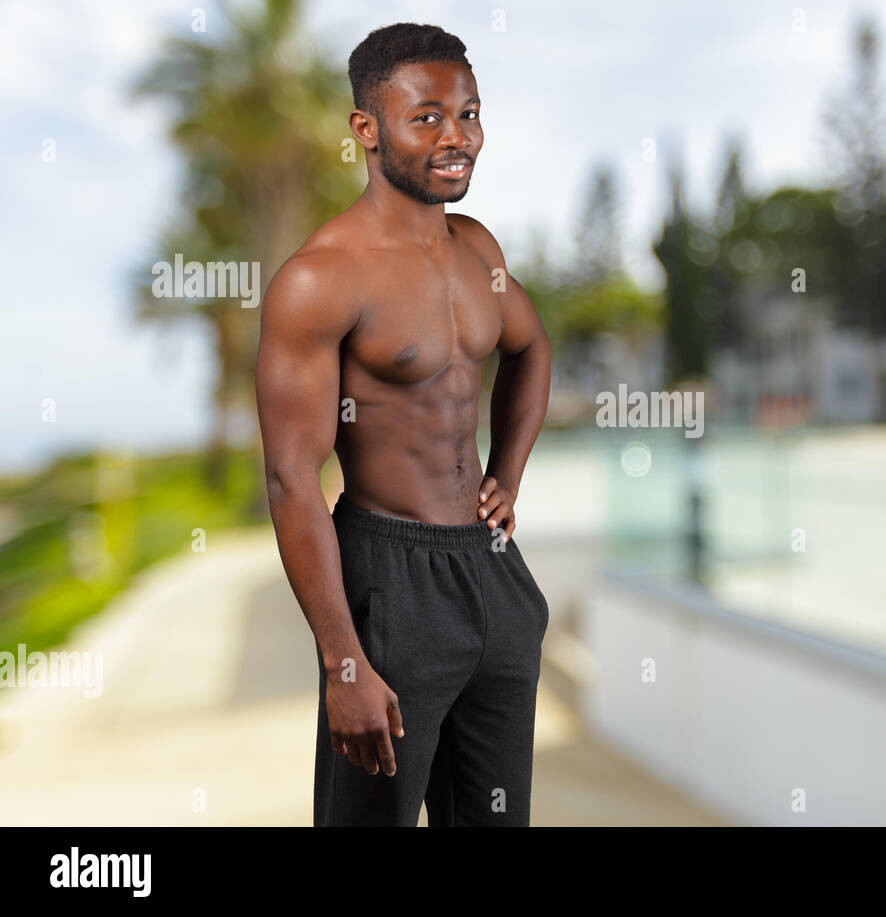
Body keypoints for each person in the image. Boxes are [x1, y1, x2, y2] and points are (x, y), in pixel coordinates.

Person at [254, 22, 551, 826]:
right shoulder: (320, 279)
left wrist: (508, 474)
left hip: (492, 572)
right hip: (391, 581)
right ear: (367, 128)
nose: (457, 138)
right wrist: (342, 658)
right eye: (427, 118)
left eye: (470, 114)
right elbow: (291, 477)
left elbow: (530, 348)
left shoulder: (477, 248)